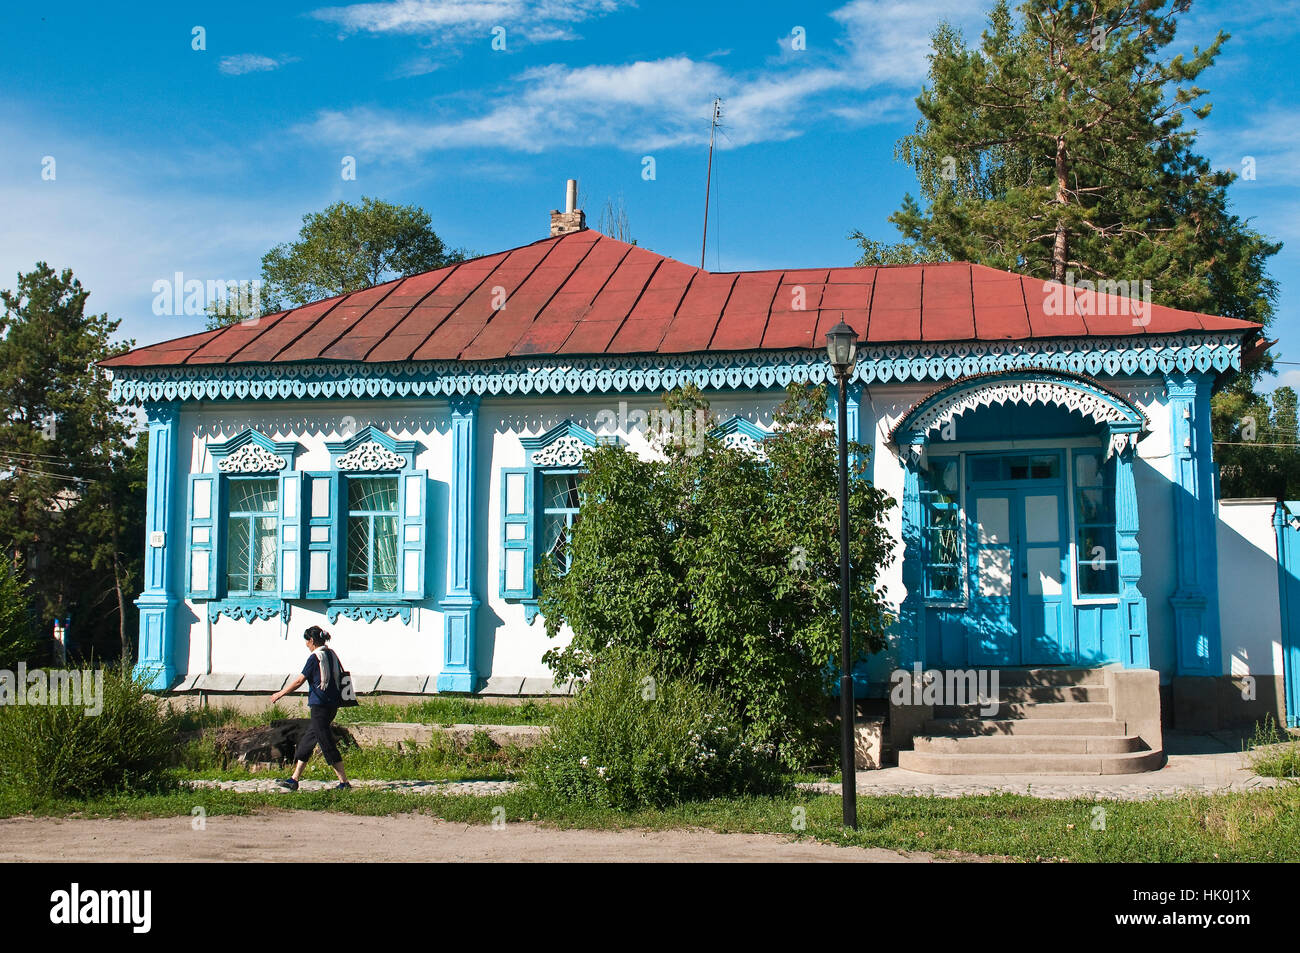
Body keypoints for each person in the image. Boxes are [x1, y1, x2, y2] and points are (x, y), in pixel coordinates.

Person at [270, 626, 351, 790]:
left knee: (326, 742)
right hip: (331, 705)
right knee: (308, 740)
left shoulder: (315, 657)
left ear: (312, 641)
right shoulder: (331, 654)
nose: (306, 644)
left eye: (307, 641)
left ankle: (344, 782)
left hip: (320, 706)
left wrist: (280, 694)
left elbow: (299, 681)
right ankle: (294, 779)